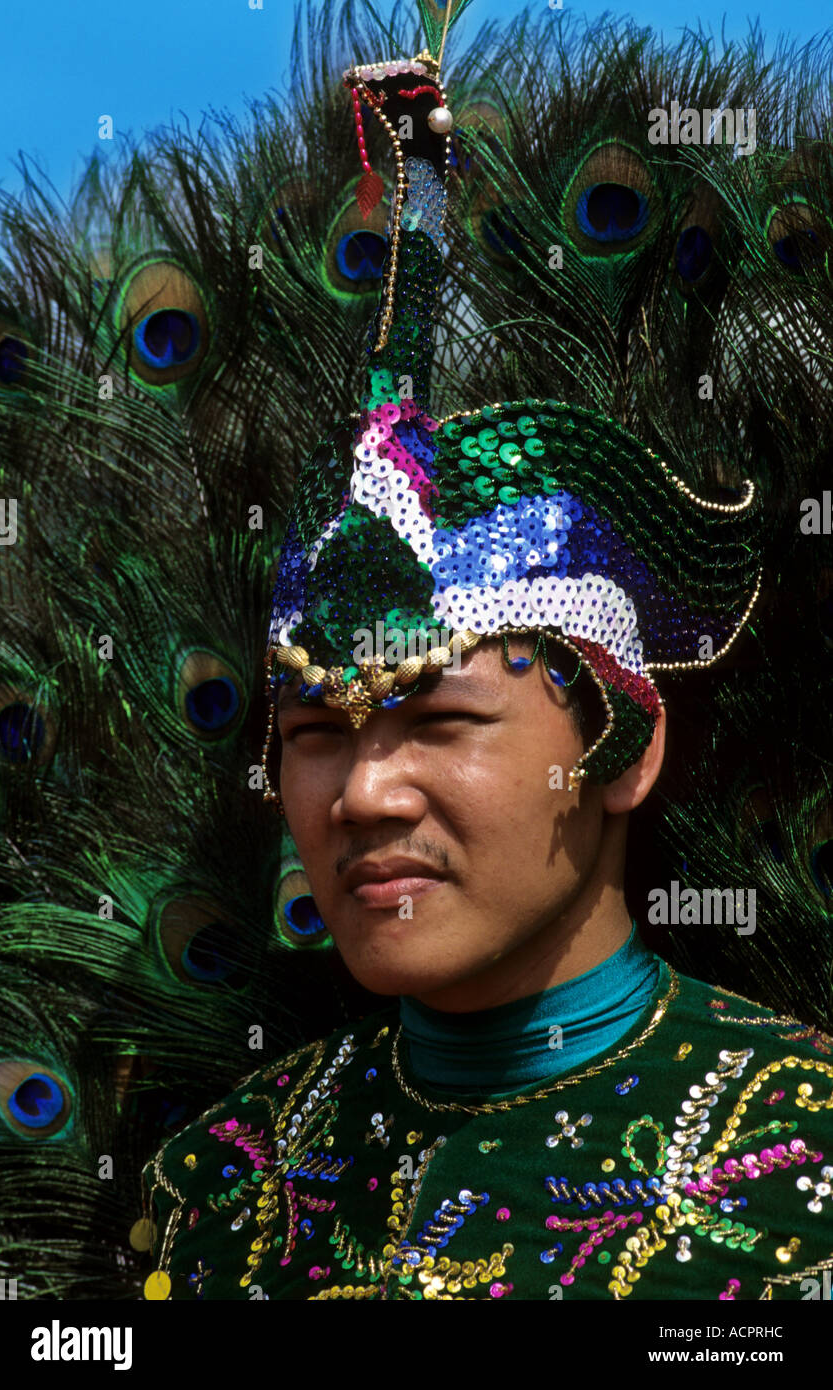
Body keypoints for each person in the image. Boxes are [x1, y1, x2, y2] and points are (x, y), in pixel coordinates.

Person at [138, 28, 833, 1302]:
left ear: (624, 750)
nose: (362, 796)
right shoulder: (214, 1200)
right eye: (314, 732)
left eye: (444, 718)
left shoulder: (807, 1169)